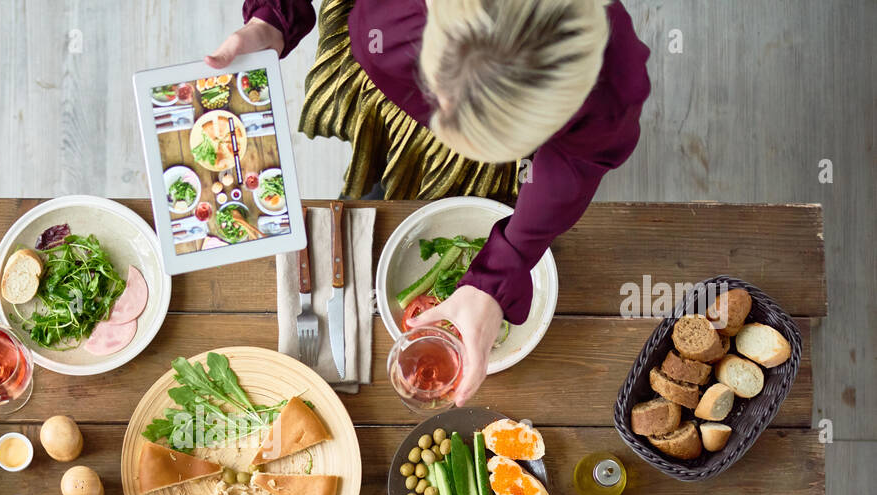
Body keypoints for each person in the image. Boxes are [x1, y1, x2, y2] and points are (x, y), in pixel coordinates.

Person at [206, 0, 650, 405]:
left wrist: (499, 273)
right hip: (384, 72)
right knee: (379, 179)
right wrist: (273, 20)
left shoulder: (610, 80)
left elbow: (577, 160)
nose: (442, 126)